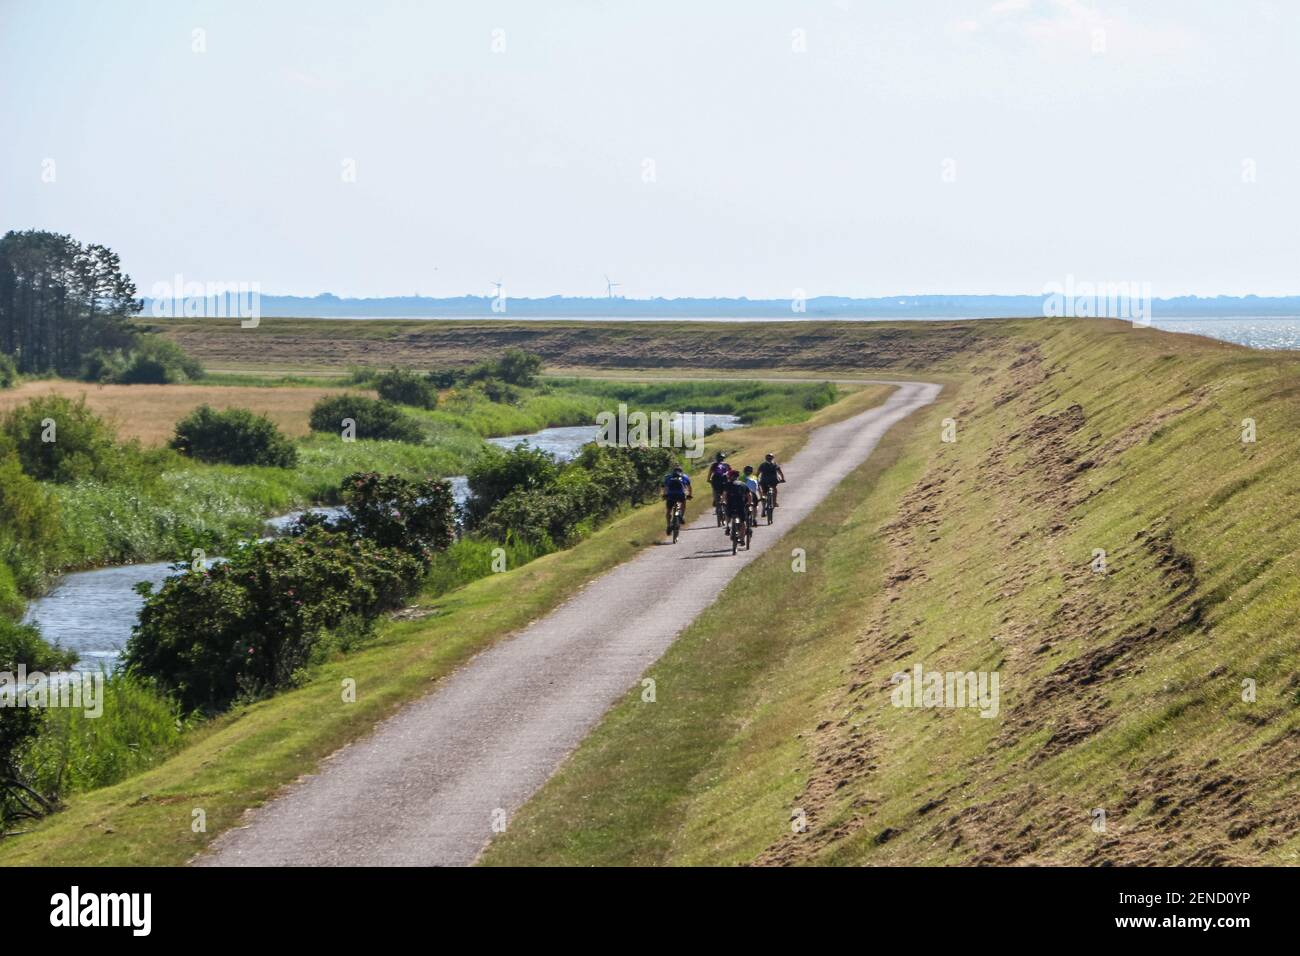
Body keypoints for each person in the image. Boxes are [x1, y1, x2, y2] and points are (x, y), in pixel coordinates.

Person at [722, 467, 754, 539]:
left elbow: (724, 494)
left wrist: (723, 502)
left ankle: (728, 526)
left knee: (727, 515)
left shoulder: (727, 484)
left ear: (730, 477)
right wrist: (749, 503)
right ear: (737, 477)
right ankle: (742, 538)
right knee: (743, 522)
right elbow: (749, 495)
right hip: (741, 505)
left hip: (730, 504)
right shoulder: (743, 484)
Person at [662, 465, 692, 534]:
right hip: (680, 495)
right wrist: (689, 495)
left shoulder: (668, 477)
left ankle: (668, 525)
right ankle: (681, 516)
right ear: (681, 471)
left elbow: (665, 487)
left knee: (669, 511)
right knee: (683, 504)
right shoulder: (684, 476)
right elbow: (689, 487)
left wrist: (664, 495)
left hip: (670, 496)